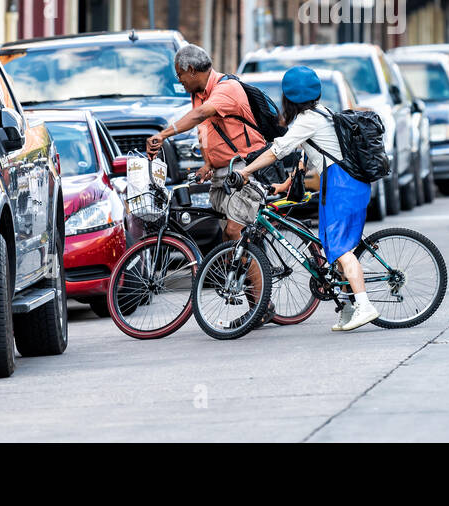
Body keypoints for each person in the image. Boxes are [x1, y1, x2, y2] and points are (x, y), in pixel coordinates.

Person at [232, 66, 378, 333]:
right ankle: (346, 307)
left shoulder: (308, 120)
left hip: (342, 185)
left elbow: (277, 150)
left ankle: (364, 305)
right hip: (342, 183)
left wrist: (246, 171)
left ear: (288, 98)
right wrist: (285, 184)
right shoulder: (321, 114)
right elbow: (311, 157)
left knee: (340, 248)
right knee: (332, 247)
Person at [145, 44, 261, 245]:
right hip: (222, 173)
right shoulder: (198, 94)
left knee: (235, 234)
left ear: (191, 70)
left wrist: (163, 134)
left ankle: (260, 276)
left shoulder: (226, 88)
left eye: (179, 74)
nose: (179, 80)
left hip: (246, 167)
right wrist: (208, 163)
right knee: (228, 241)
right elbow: (205, 129)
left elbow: (200, 116)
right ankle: (240, 276)